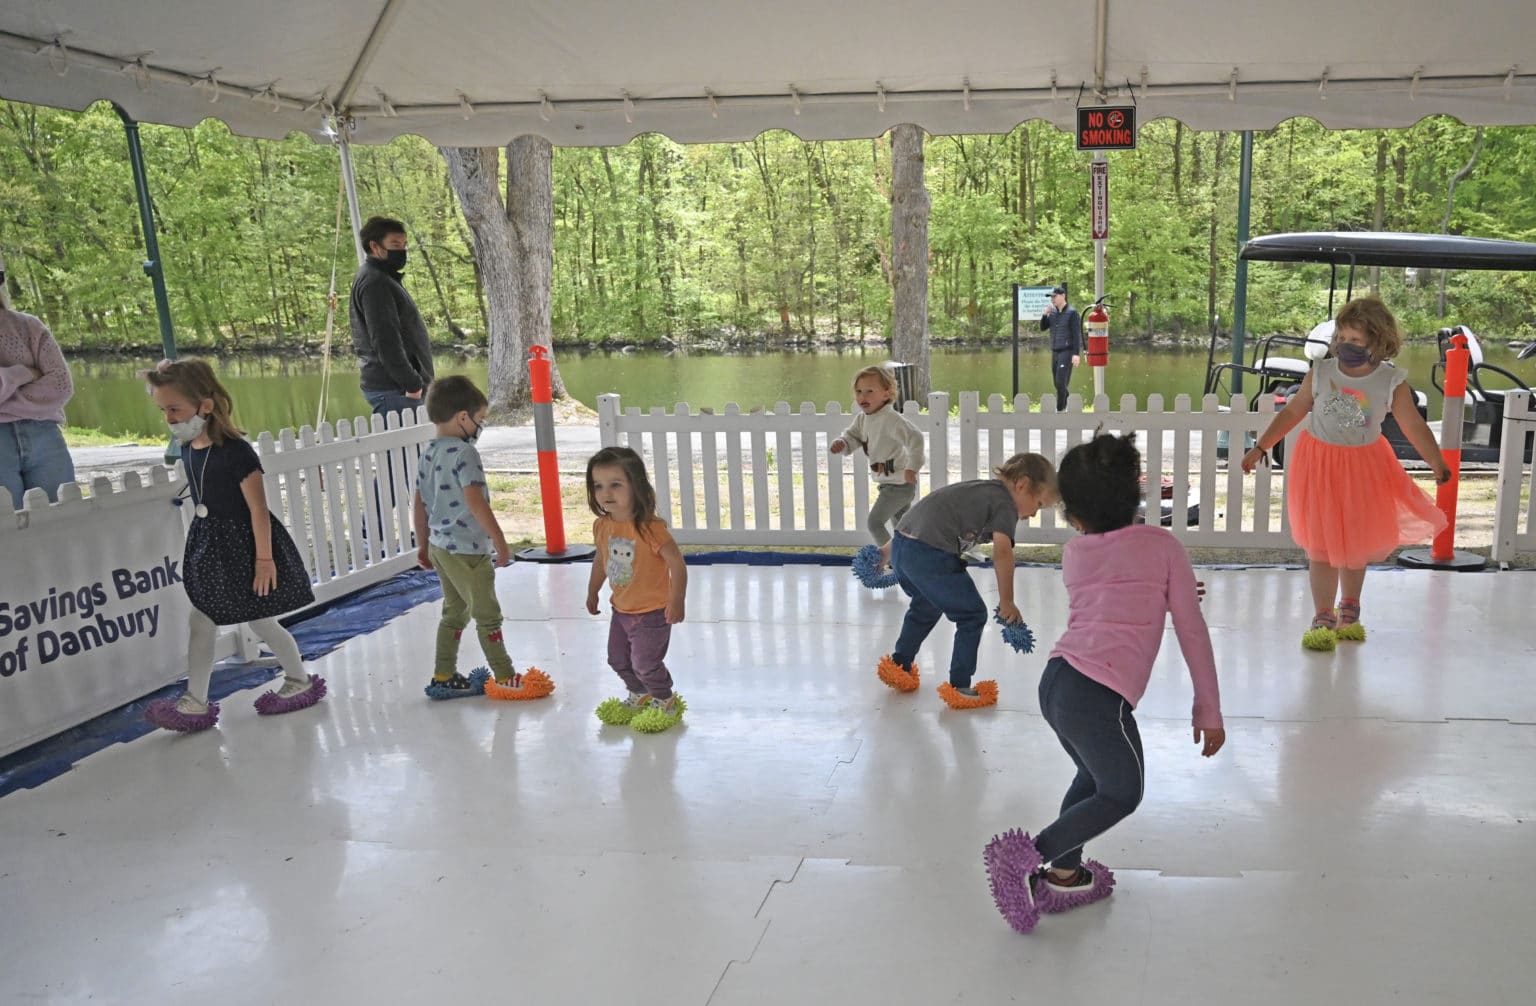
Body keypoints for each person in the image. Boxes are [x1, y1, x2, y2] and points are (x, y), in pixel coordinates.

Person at [983, 432, 1224, 934]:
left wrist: (1165, 589)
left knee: (1093, 780)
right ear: (1136, 495)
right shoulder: (1163, 546)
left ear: (1073, 514)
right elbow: (1190, 627)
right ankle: (1031, 856)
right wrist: (1208, 706)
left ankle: (1065, 874)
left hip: (1058, 684)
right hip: (1097, 694)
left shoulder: (1077, 552)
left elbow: (1113, 599)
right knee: (1122, 791)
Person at [1241, 296, 1449, 651]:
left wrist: (1436, 461)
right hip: (1318, 465)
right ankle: (1323, 613)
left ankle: (1349, 609)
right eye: (1341, 338)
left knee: (1356, 542)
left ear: (1378, 343)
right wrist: (1261, 447)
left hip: (1365, 468)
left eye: (1356, 341)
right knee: (1320, 545)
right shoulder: (1321, 372)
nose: (1345, 346)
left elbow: (1413, 425)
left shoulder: (1390, 381)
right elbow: (1292, 413)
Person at [141, 359, 324, 732]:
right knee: (209, 618)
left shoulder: (237, 453)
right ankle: (198, 699)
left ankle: (294, 680)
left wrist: (264, 559)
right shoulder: (191, 448)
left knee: (257, 619)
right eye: (164, 410)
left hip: (243, 548)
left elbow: (258, 508)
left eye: (174, 409)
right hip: (213, 546)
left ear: (204, 406)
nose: (169, 418)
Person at [876, 453, 1057, 709]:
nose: (1035, 514)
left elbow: (924, 517)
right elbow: (1003, 553)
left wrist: (886, 553)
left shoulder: (977, 490)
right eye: (1039, 504)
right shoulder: (1004, 503)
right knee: (972, 614)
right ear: (1022, 485)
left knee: (925, 606)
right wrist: (1007, 601)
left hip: (905, 547)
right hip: (930, 554)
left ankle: (898, 665)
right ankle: (959, 686)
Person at [413, 376, 552, 701]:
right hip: (468, 551)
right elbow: (475, 500)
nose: (480, 426)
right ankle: (505, 677)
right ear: (463, 417)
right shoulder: (465, 454)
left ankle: (443, 675)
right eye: (481, 420)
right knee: (487, 615)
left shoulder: (428, 452)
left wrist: (422, 544)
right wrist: (501, 542)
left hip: (439, 548)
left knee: (454, 613)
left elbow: (418, 502)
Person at [585, 446, 689, 733]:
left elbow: (677, 564)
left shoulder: (649, 528)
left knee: (645, 662)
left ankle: (664, 699)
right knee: (617, 659)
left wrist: (676, 600)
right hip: (621, 610)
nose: (606, 493)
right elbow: (601, 560)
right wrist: (593, 590)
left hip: (653, 612)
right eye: (598, 486)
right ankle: (639, 693)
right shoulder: (602, 526)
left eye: (616, 484)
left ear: (636, 486)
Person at [830, 363, 925, 572]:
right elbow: (852, 436)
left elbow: (916, 438)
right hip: (888, 485)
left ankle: (891, 559)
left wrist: (912, 467)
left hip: (899, 485)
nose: (863, 396)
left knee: (875, 522)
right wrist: (842, 443)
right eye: (859, 391)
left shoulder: (891, 419)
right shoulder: (863, 418)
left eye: (869, 391)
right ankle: (917, 560)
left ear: (887, 394)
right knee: (903, 529)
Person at [0, 252, 76, 510]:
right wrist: (25, 373)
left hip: (44, 435)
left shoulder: (29, 326)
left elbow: (61, 386)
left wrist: (5, 394)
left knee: (62, 519)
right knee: (8, 531)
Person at [350, 216, 434, 422]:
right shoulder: (374, 283)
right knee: (402, 452)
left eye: (404, 245)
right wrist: (412, 384)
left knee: (413, 451)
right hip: (394, 389)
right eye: (395, 244)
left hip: (398, 388)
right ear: (375, 246)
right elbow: (385, 340)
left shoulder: (383, 278)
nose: (402, 251)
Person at [1039, 285, 1082, 405]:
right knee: (1057, 383)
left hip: (1067, 351)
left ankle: (1060, 409)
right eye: (1051, 297)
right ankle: (1065, 400)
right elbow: (1043, 327)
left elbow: (1076, 335)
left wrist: (1076, 354)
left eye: (1054, 296)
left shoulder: (1072, 313)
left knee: (1060, 382)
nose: (1052, 299)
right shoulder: (1052, 313)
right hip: (1055, 351)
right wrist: (1044, 315)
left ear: (1063, 296)